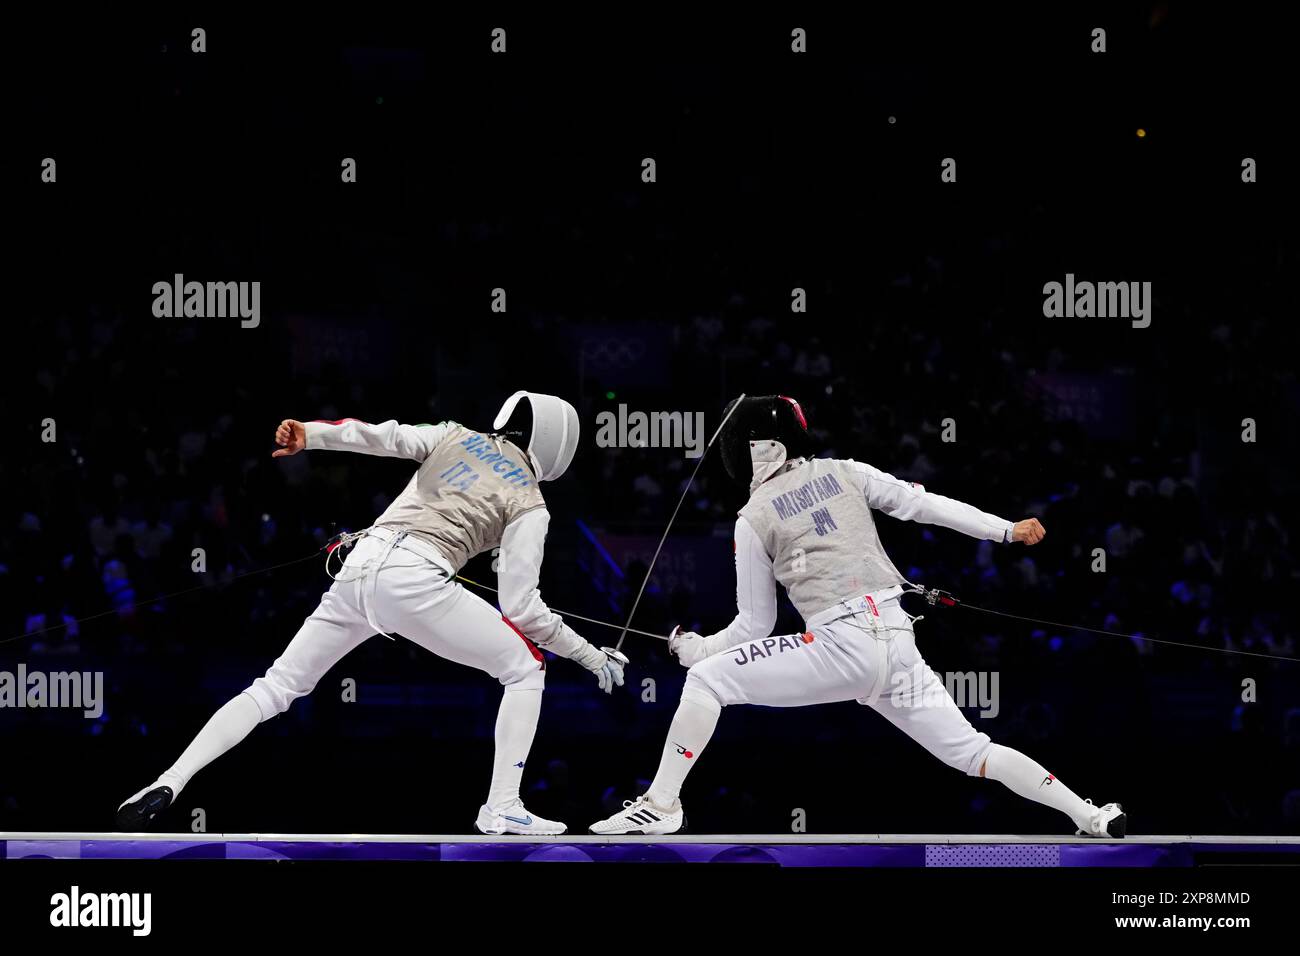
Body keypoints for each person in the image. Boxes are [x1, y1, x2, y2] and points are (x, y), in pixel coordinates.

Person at [590, 395, 1123, 837]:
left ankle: (662, 805)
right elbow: (926, 504)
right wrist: (1005, 529)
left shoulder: (752, 518)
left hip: (840, 647)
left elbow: (755, 626)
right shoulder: (848, 472)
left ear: (758, 450)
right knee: (974, 752)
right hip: (897, 644)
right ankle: (1090, 815)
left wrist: (697, 649)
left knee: (707, 681)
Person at [118, 391, 625, 835]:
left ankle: (168, 781)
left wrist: (310, 436)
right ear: (556, 448)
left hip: (359, 565)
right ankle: (503, 807)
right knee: (525, 668)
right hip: (414, 579)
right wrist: (587, 656)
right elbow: (521, 608)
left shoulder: (454, 435)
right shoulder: (531, 502)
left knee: (274, 688)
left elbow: (380, 437)